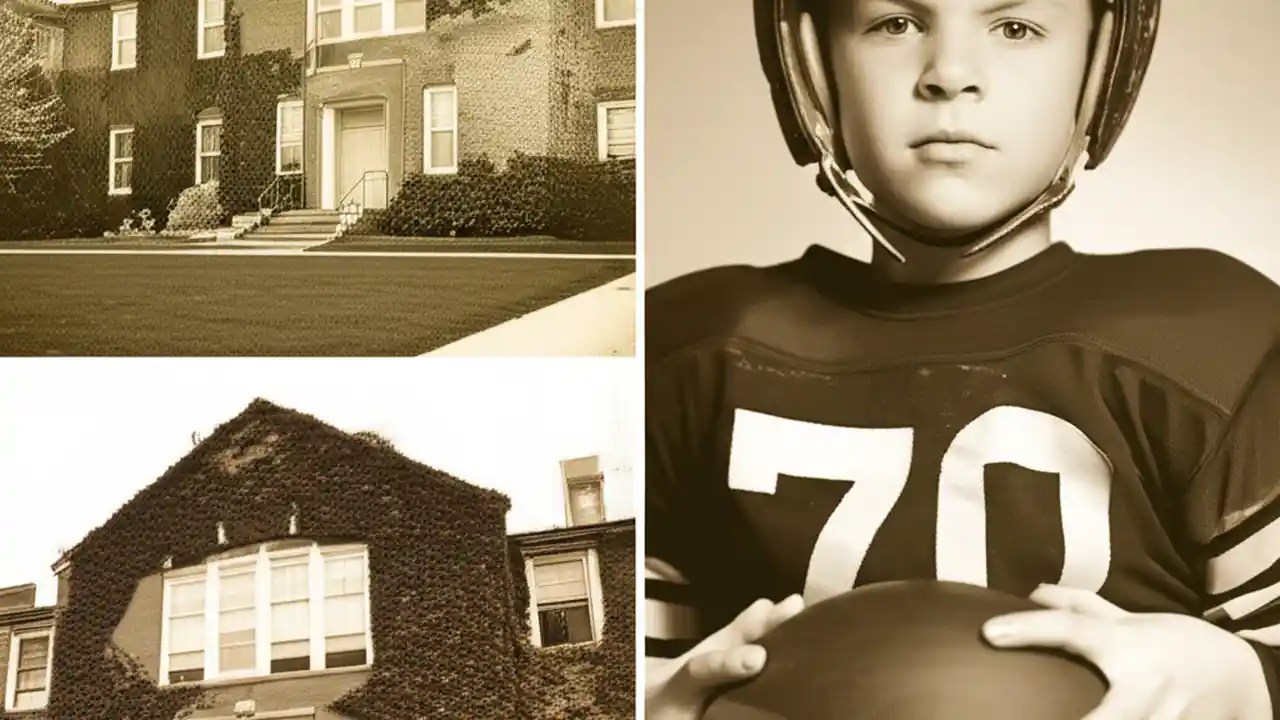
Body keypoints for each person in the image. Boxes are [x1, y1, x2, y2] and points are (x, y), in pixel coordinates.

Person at [644, 0, 1280, 718]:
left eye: (1016, 28)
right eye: (895, 23)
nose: (950, 74)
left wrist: (1241, 679)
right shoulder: (690, 354)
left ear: (1099, 62)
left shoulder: (1215, 342)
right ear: (816, 66)